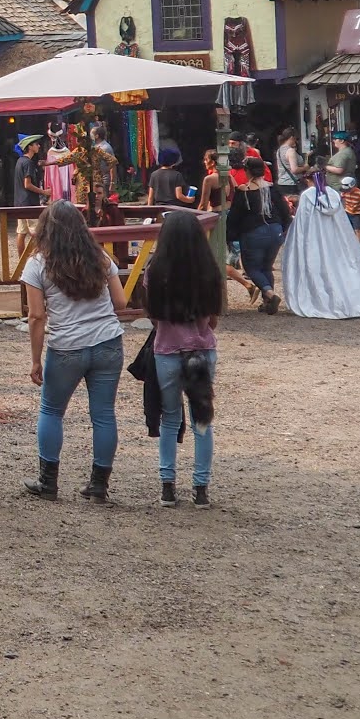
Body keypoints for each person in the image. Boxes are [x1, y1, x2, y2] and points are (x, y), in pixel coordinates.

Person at [18, 202, 128, 503]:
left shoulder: (38, 264)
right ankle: (99, 484)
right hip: (108, 342)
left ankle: (48, 482)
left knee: (51, 410)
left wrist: (35, 360)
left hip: (67, 346)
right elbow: (120, 303)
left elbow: (36, 316)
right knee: (103, 414)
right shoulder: (101, 258)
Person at [140, 209, 224, 508]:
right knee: (202, 419)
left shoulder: (155, 272)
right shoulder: (209, 271)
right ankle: (200, 489)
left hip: (167, 350)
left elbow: (153, 316)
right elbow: (212, 320)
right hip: (202, 350)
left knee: (170, 417)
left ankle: (167, 486)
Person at [282, 172, 360, 318]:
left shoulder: (307, 195)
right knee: (340, 266)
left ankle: (321, 299)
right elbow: (341, 219)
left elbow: (303, 219)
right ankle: (353, 298)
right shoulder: (333, 194)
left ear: (308, 180)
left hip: (314, 237)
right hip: (334, 237)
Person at [227, 156, 288, 314]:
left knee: (252, 267)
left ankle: (270, 294)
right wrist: (284, 227)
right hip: (275, 230)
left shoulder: (244, 191)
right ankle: (267, 303)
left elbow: (234, 216)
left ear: (247, 171)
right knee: (266, 266)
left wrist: (230, 236)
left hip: (253, 232)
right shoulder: (272, 188)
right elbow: (284, 210)